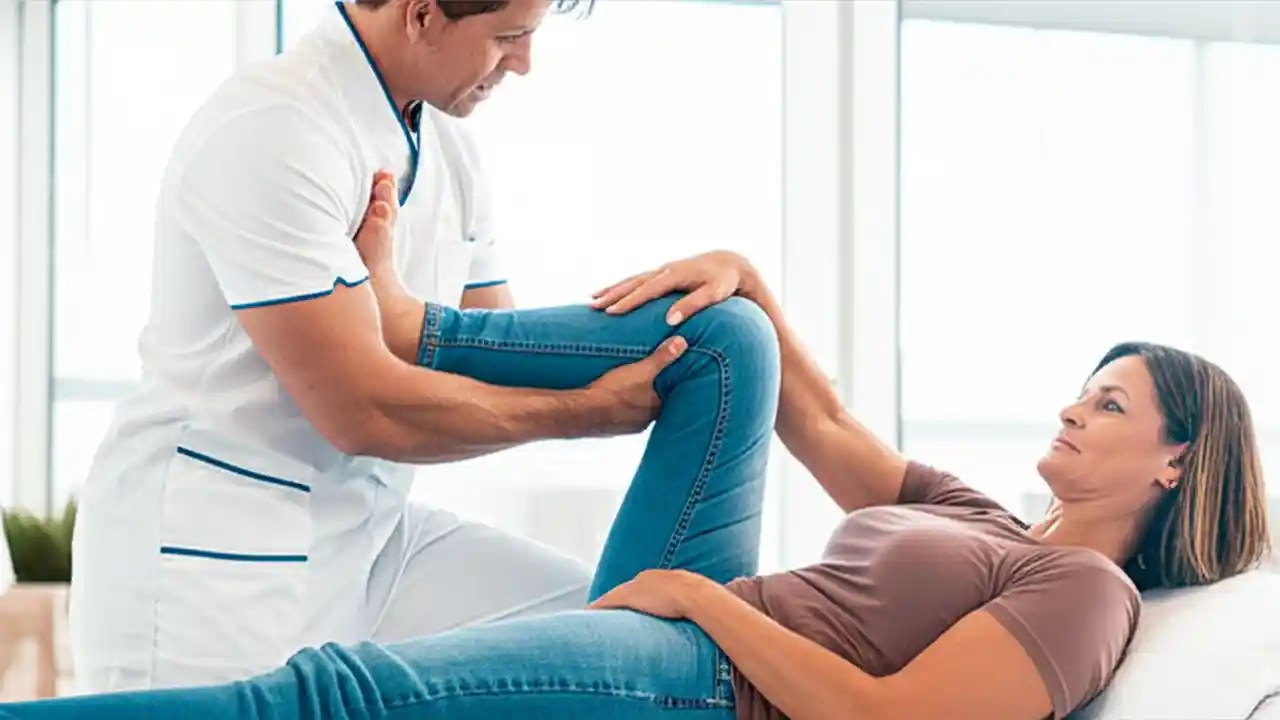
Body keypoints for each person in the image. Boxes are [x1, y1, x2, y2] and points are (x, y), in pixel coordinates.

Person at [13, 183, 1270, 720]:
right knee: (727, 340)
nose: (1070, 409)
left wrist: (705, 611)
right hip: (695, 627)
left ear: (1176, 463)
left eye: (1108, 407)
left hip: (702, 686)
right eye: (1081, 389)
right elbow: (817, 422)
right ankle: (418, 330)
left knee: (340, 694)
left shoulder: (1085, 592)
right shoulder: (988, 525)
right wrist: (749, 276)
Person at [68, 0, 779, 693]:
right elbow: (362, 409)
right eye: (508, 37)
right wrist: (589, 411)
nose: (526, 63)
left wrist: (698, 304)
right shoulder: (276, 127)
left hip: (372, 536)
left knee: (612, 641)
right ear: (421, 14)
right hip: (215, 555)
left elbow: (489, 350)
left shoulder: (450, 153)